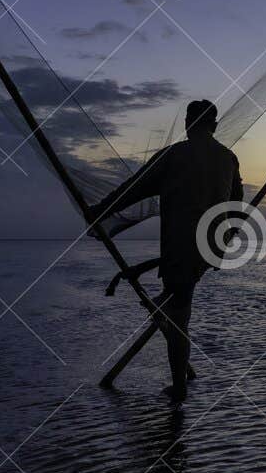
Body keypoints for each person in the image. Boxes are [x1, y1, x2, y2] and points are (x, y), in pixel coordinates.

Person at [95, 99, 243, 402]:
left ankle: (179, 390)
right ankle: (179, 378)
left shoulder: (174, 155)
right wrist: (227, 237)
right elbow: (237, 205)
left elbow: (132, 188)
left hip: (180, 247)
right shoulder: (229, 158)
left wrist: (99, 210)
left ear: (188, 124)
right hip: (208, 248)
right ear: (213, 127)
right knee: (176, 308)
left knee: (178, 321)